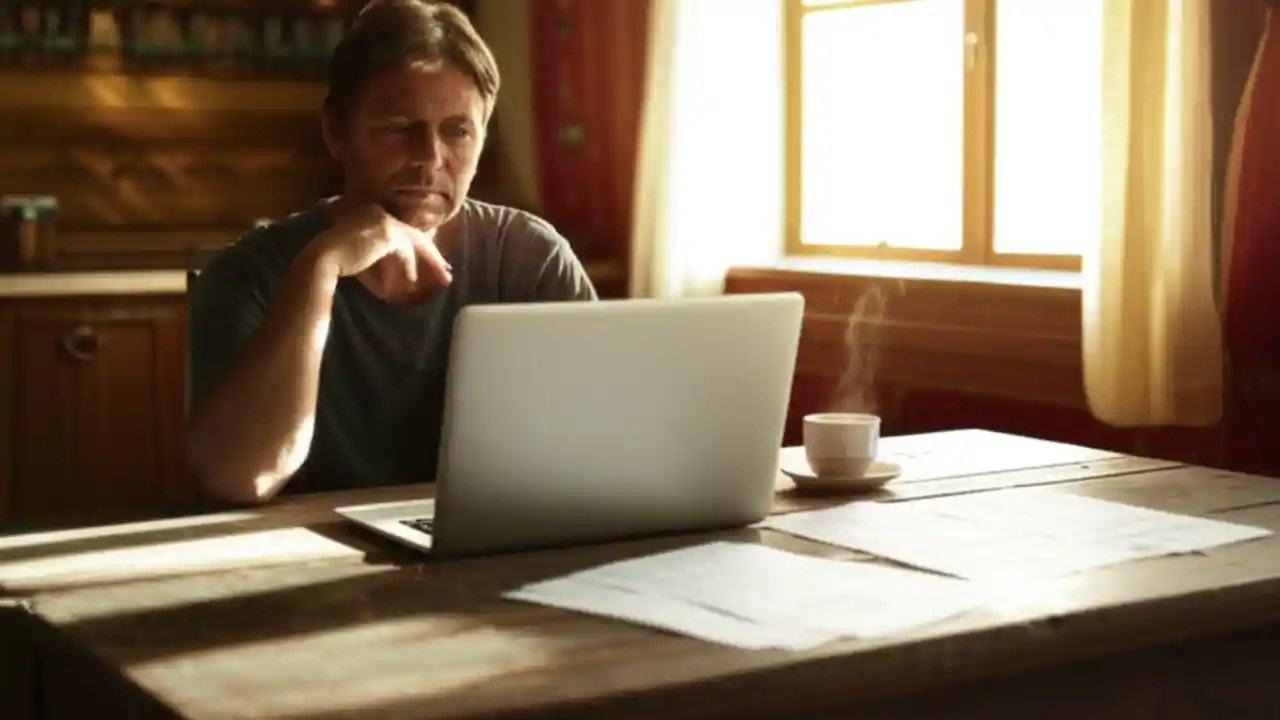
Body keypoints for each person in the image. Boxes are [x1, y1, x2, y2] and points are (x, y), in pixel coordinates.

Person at [186, 0, 596, 505]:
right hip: (309, 560)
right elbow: (241, 476)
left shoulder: (531, 259)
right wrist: (319, 269)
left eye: (457, 130)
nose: (429, 157)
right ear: (337, 133)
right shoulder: (248, 275)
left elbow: (600, 453)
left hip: (485, 550)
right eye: (401, 128)